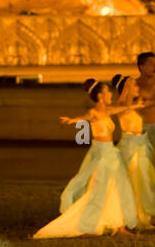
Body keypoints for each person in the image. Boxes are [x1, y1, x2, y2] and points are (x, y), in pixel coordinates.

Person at [34, 79, 143, 238]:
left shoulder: (108, 110)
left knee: (119, 188)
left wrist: (135, 106)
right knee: (101, 190)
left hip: (112, 154)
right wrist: (71, 120)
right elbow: (84, 118)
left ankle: (119, 226)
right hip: (103, 157)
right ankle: (92, 222)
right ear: (100, 96)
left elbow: (123, 107)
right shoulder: (94, 113)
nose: (111, 94)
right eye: (108, 92)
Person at [113, 75, 155, 227]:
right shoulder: (122, 105)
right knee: (135, 180)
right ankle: (134, 215)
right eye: (134, 86)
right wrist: (127, 87)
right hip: (130, 147)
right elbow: (123, 106)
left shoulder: (137, 104)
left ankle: (152, 215)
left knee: (149, 180)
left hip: (142, 145)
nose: (137, 88)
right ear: (126, 88)